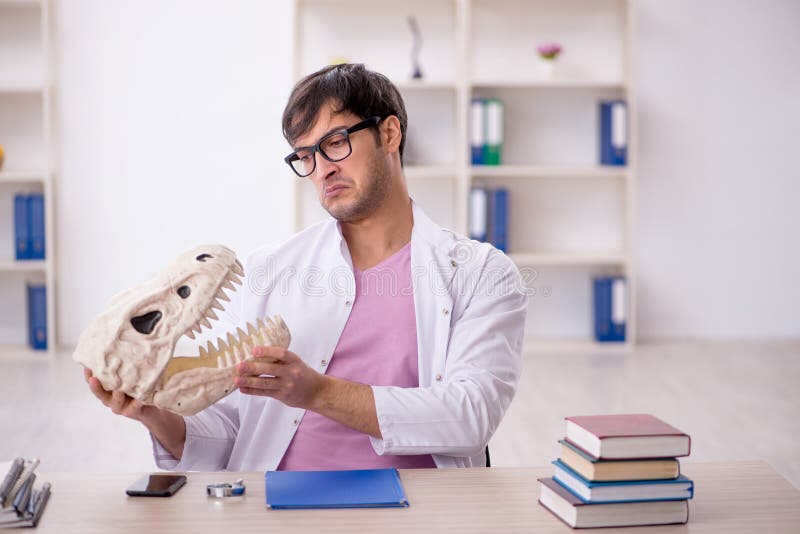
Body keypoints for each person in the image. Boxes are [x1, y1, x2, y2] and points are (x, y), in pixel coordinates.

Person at [85, 63, 527, 471]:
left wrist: (316, 392)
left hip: (414, 511)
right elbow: (233, 434)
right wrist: (156, 416)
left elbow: (471, 417)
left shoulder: (479, 273)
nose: (322, 169)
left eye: (335, 142)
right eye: (306, 155)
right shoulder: (268, 270)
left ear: (389, 134)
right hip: (278, 508)